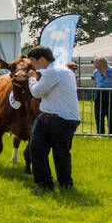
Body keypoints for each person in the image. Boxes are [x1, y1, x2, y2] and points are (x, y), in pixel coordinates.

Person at [25, 45, 80, 191]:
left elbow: (37, 92)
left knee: (57, 152)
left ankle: (60, 183)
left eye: (33, 61)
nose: (32, 65)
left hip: (60, 118)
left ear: (42, 59)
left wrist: (32, 79)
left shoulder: (53, 72)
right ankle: (50, 183)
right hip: (49, 115)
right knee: (39, 149)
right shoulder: (62, 70)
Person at [93, 56, 111, 135]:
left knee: (110, 114)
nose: (94, 64)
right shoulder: (96, 72)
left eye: (95, 62)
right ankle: (100, 133)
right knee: (98, 114)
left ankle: (111, 134)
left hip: (110, 94)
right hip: (99, 94)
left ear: (101, 63)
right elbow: (96, 83)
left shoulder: (111, 70)